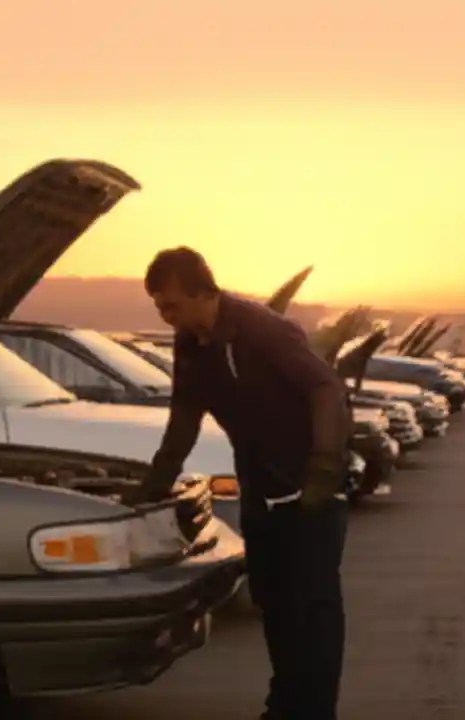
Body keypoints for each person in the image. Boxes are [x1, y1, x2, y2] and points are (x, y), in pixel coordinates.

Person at [140, 247, 352, 720]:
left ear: (203, 292)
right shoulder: (190, 343)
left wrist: (322, 469)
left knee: (313, 611)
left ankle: (314, 713)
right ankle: (285, 707)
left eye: (170, 304)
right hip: (260, 490)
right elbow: (184, 416)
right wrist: (155, 482)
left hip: (310, 493)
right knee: (274, 606)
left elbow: (325, 388)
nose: (165, 314)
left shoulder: (261, 329)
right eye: (158, 306)